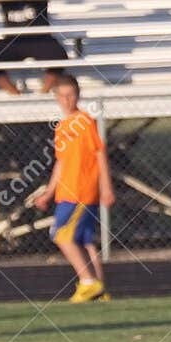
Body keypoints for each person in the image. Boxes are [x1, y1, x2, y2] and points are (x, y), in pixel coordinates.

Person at [34, 74, 114, 304]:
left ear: (78, 95)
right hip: (66, 192)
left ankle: (88, 283)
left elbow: (99, 153)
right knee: (84, 241)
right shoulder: (62, 127)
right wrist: (49, 192)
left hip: (80, 190)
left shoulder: (84, 121)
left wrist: (106, 187)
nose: (68, 100)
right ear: (56, 97)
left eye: (72, 95)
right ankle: (100, 291)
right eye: (63, 96)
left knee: (61, 235)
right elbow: (61, 162)